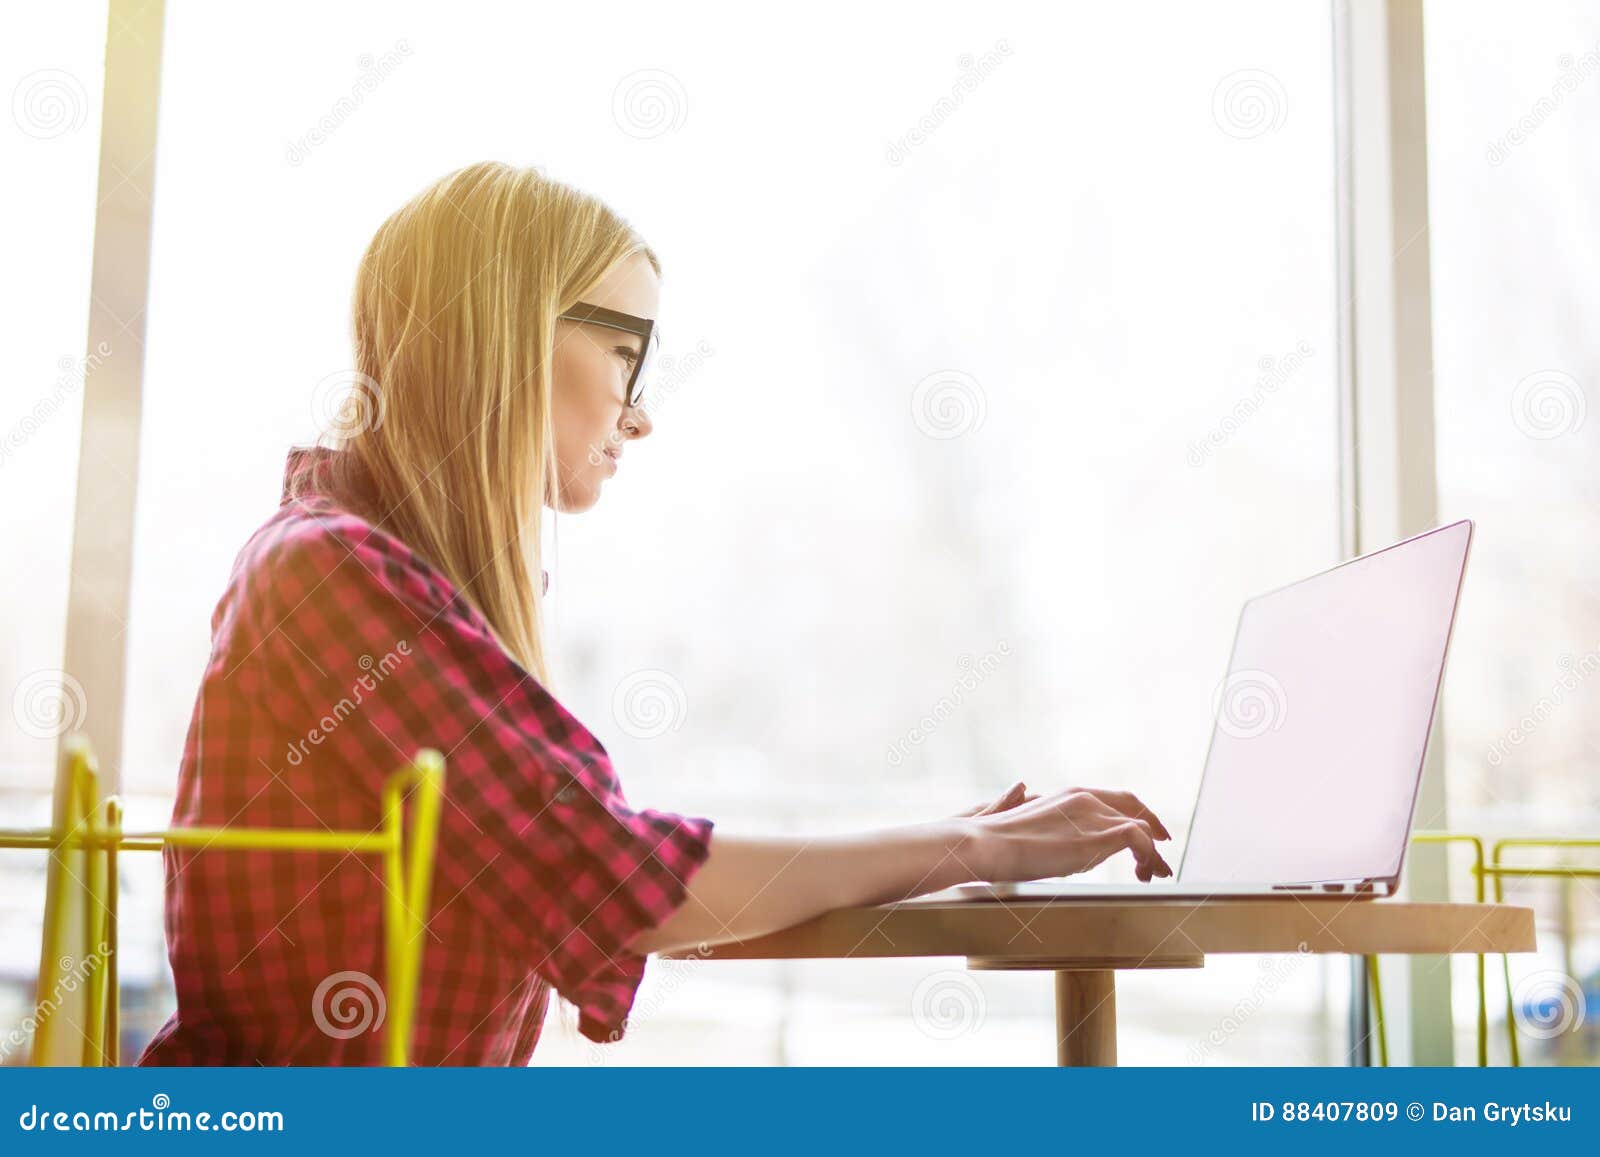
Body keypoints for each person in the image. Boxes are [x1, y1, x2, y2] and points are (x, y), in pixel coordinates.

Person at [138, 161, 1171, 1066]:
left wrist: (950, 836)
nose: (639, 410)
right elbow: (615, 874)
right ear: (505, 335)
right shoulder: (331, 574)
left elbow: (603, 866)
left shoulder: (372, 573)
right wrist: (966, 845)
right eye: (628, 354)